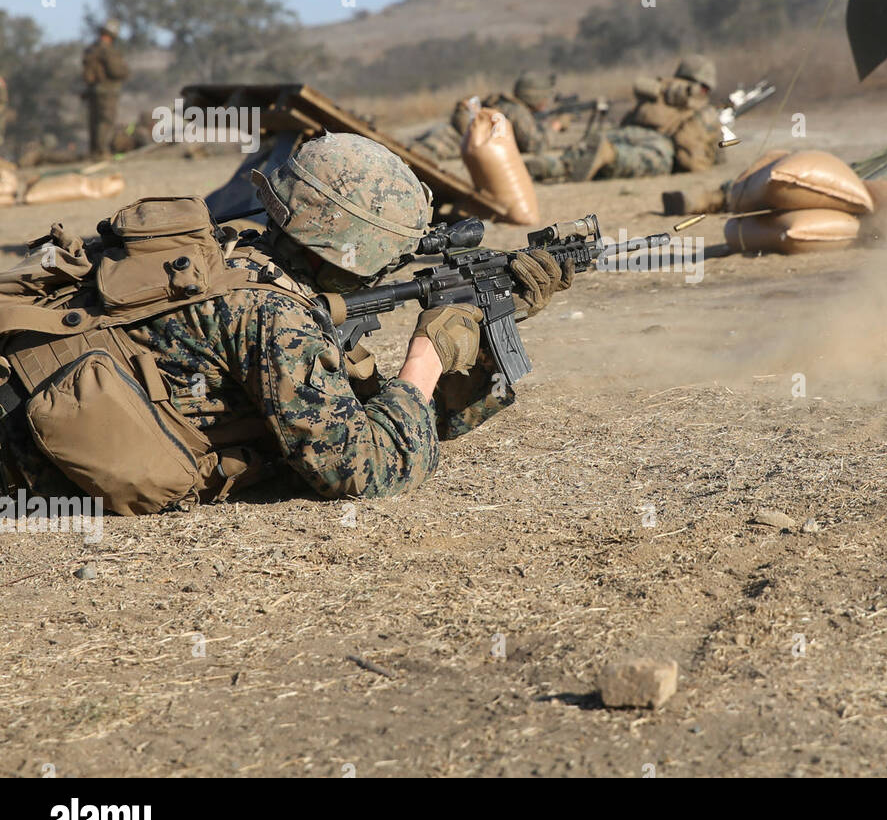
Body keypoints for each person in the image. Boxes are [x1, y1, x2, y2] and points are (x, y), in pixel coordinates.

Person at [0, 134, 572, 514]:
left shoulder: (240, 253)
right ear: (352, 245)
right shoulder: (273, 315)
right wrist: (427, 355)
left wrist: (496, 312)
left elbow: (382, 417)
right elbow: (362, 470)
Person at [526, 55, 722, 184]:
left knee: (586, 155)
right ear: (706, 85)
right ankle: (610, 156)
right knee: (635, 159)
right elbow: (689, 155)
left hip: (626, 132)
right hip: (659, 141)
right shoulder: (696, 100)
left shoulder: (661, 86)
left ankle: (551, 165)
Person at [416, 70, 557, 160]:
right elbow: (535, 146)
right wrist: (555, 126)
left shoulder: (502, 104)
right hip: (445, 145)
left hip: (440, 135)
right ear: (534, 96)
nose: (546, 101)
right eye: (544, 96)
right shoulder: (518, 112)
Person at [81, 18, 131, 160]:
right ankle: (102, 152)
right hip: (107, 91)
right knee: (106, 121)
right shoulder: (107, 50)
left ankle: (94, 151)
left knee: (95, 121)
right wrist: (125, 71)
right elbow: (116, 70)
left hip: (93, 91)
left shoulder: (92, 48)